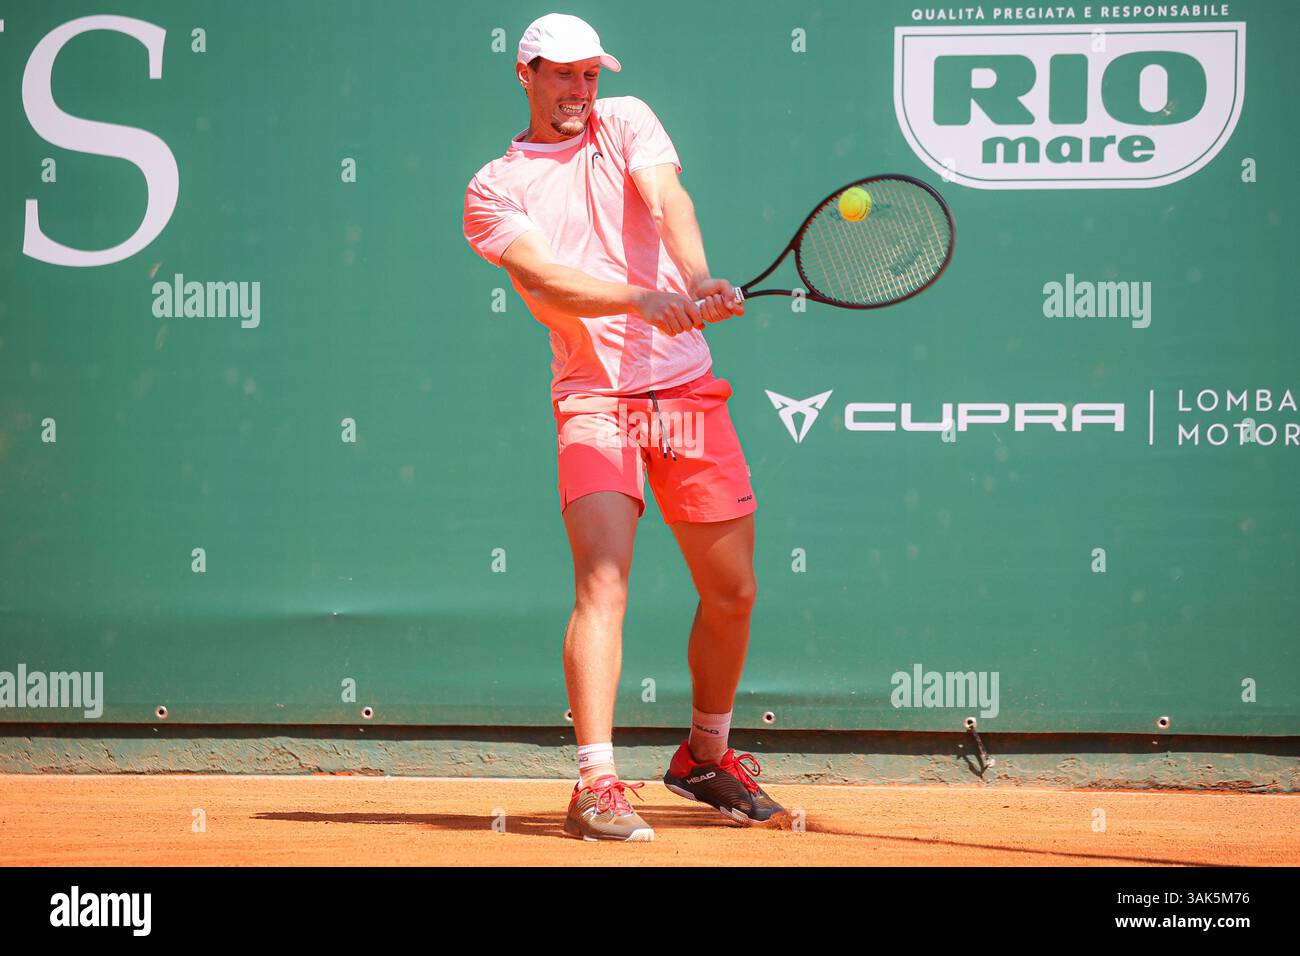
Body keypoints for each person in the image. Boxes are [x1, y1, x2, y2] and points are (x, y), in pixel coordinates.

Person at [463, 12, 785, 841]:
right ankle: (597, 783)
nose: (579, 90)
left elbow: (668, 197)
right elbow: (547, 280)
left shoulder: (628, 119)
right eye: (562, 75)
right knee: (603, 585)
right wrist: (641, 299)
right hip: (595, 402)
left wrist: (699, 277)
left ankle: (703, 757)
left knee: (734, 591)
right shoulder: (494, 187)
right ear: (526, 75)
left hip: (686, 397)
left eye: (589, 74)